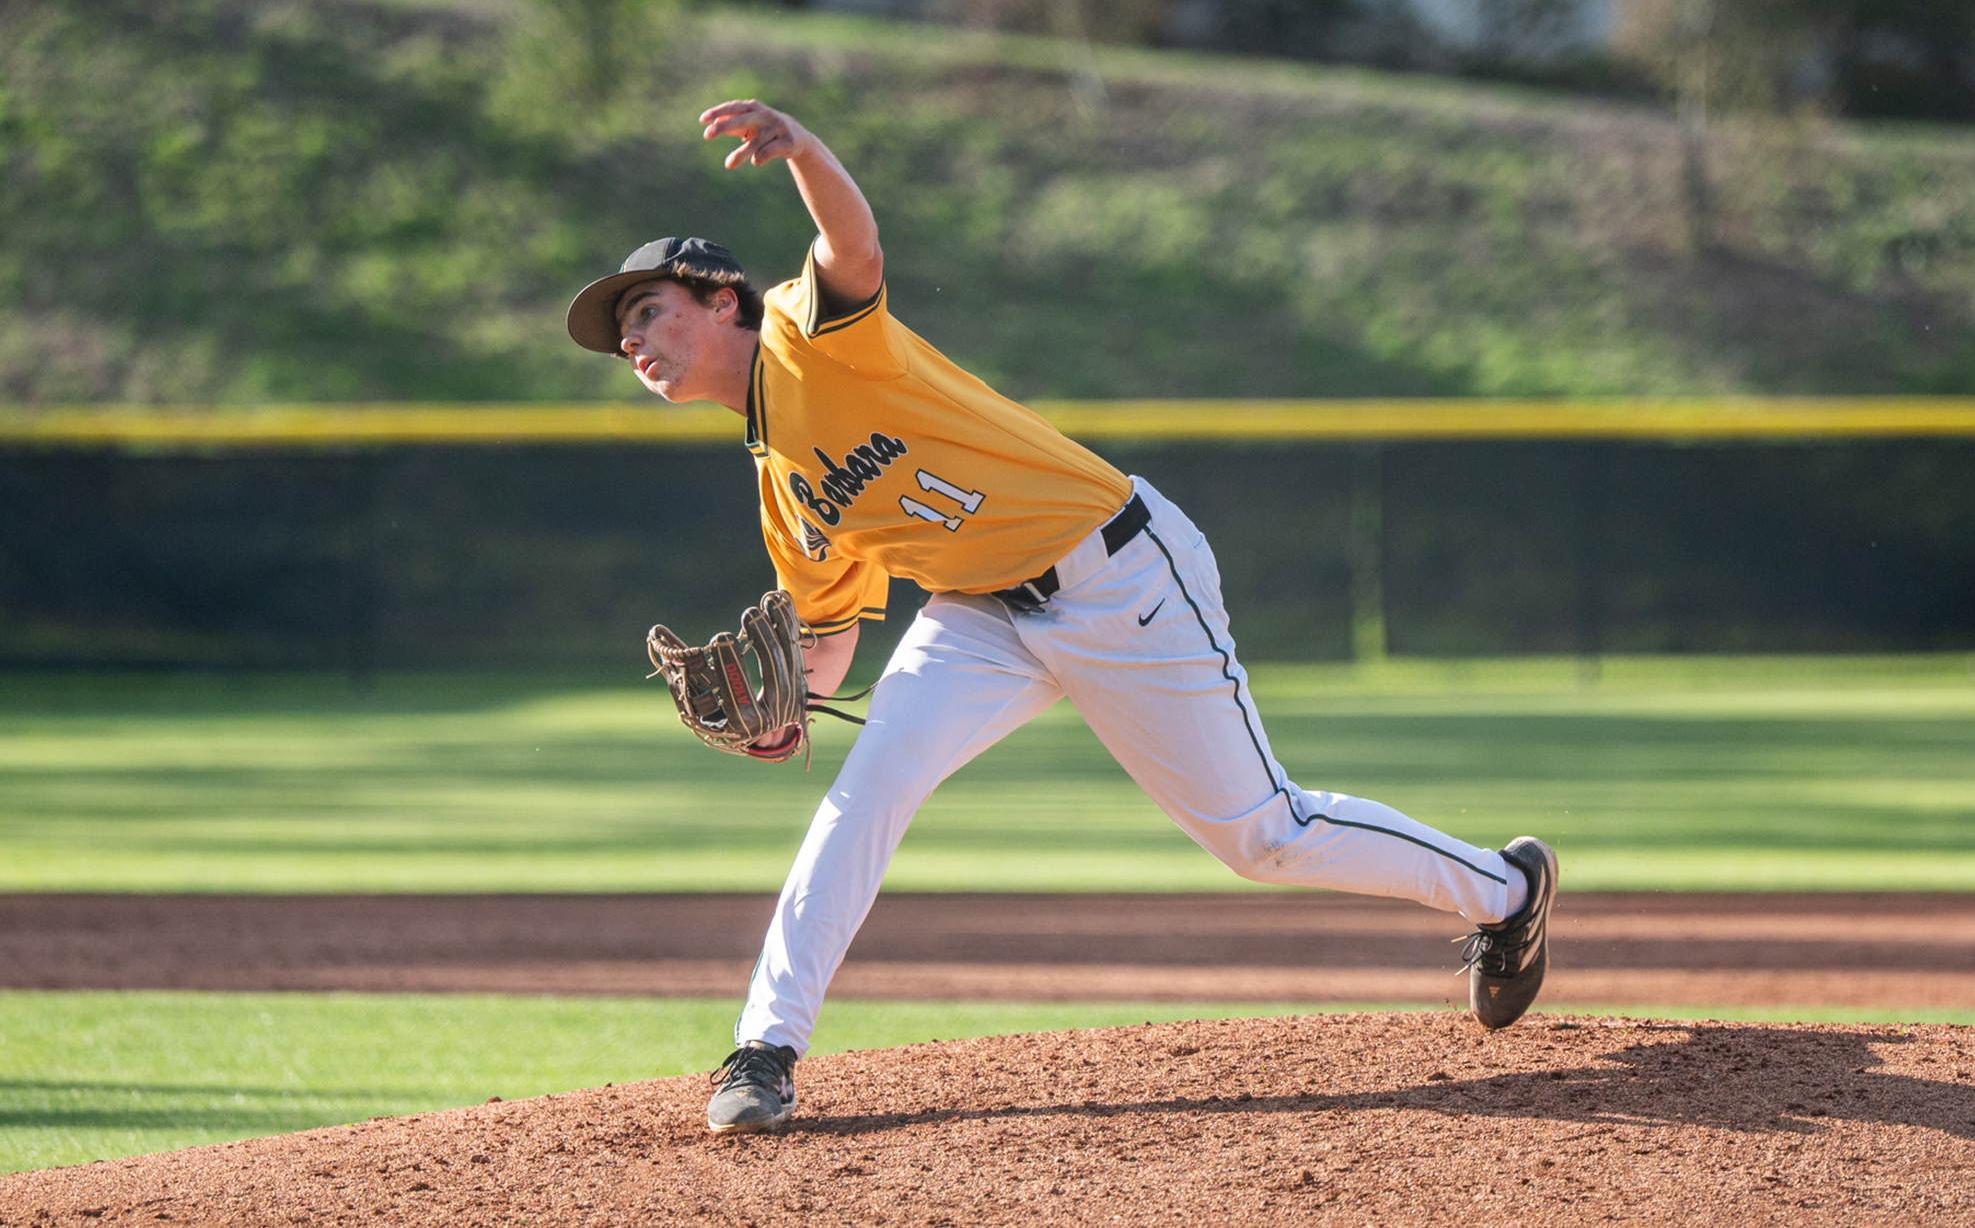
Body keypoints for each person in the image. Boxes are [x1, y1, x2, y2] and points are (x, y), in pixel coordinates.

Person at [564, 100, 1558, 1135]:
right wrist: (785, 715)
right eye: (620, 333)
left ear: (720, 300)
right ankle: (764, 1049)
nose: (632, 341)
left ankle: (1503, 889)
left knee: (1263, 837)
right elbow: (825, 636)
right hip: (977, 618)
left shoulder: (801, 335)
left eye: (647, 311)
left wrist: (804, 153)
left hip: (1117, 575)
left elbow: (851, 246)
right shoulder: (778, 484)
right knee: (865, 794)